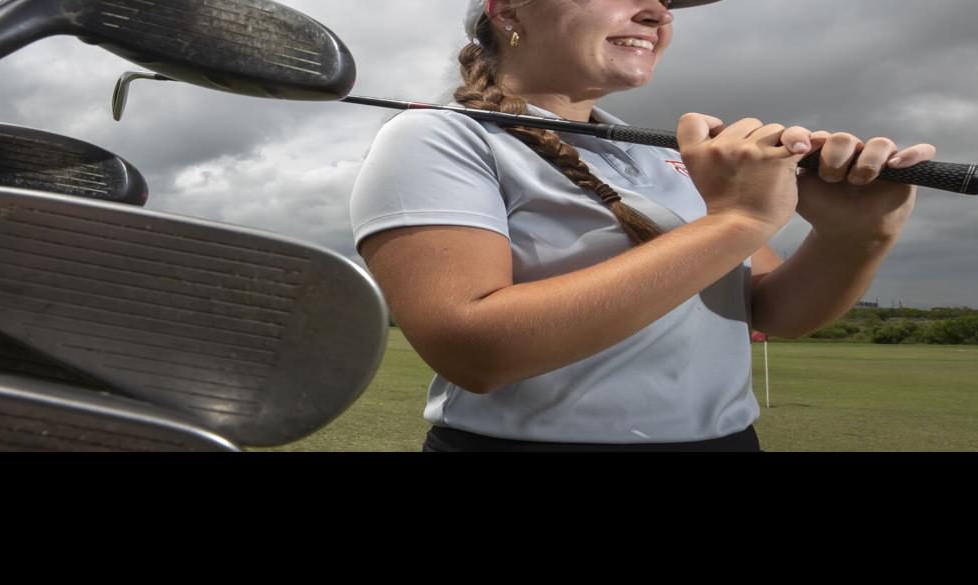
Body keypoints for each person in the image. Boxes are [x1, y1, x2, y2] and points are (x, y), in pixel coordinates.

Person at [349, 0, 934, 452]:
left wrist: (855, 237)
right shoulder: (438, 136)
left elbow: (773, 312)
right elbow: (474, 352)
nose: (658, 12)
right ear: (506, 10)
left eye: (665, 1)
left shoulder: (665, 155)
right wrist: (740, 218)